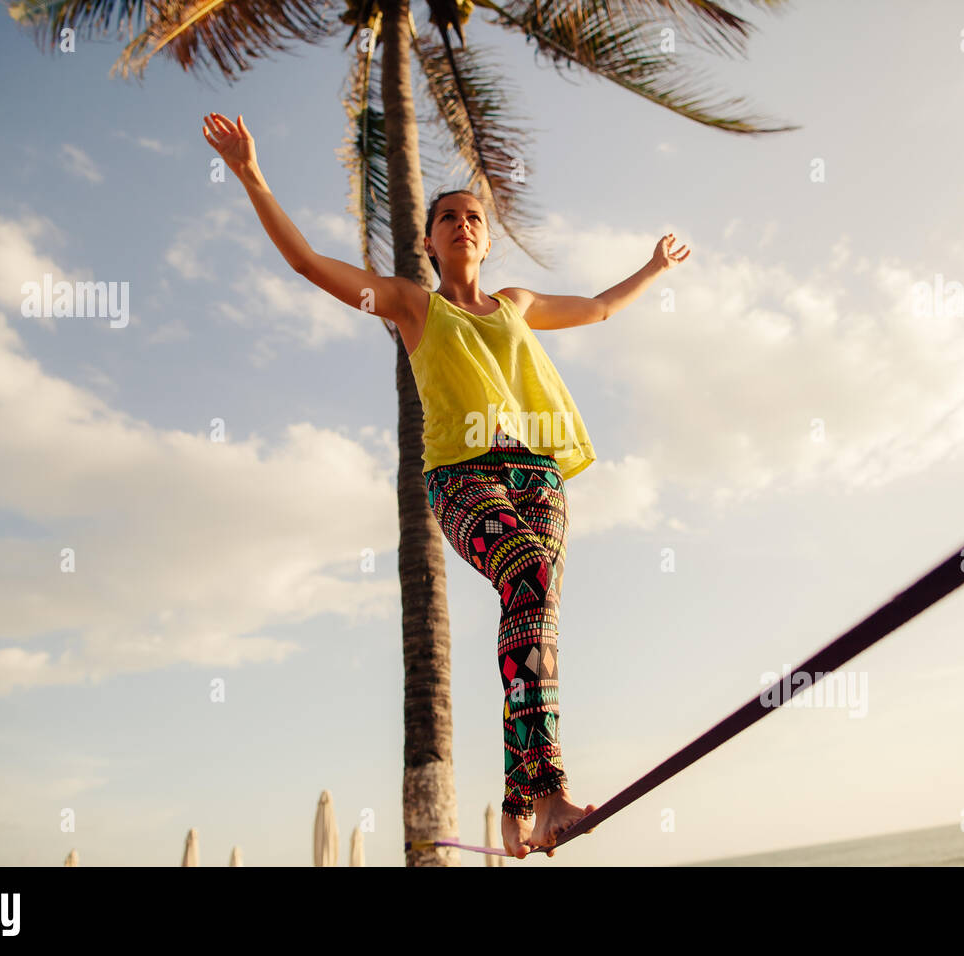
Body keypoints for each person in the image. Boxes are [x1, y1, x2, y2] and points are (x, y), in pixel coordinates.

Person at [202, 112, 690, 858]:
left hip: (536, 476)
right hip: (461, 478)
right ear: (429, 242)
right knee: (525, 575)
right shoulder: (410, 303)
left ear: (486, 241)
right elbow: (305, 263)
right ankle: (548, 791)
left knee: (535, 613)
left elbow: (593, 308)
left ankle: (520, 802)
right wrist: (250, 173)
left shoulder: (518, 306)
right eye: (447, 218)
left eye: (472, 217)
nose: (462, 224)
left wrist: (652, 269)